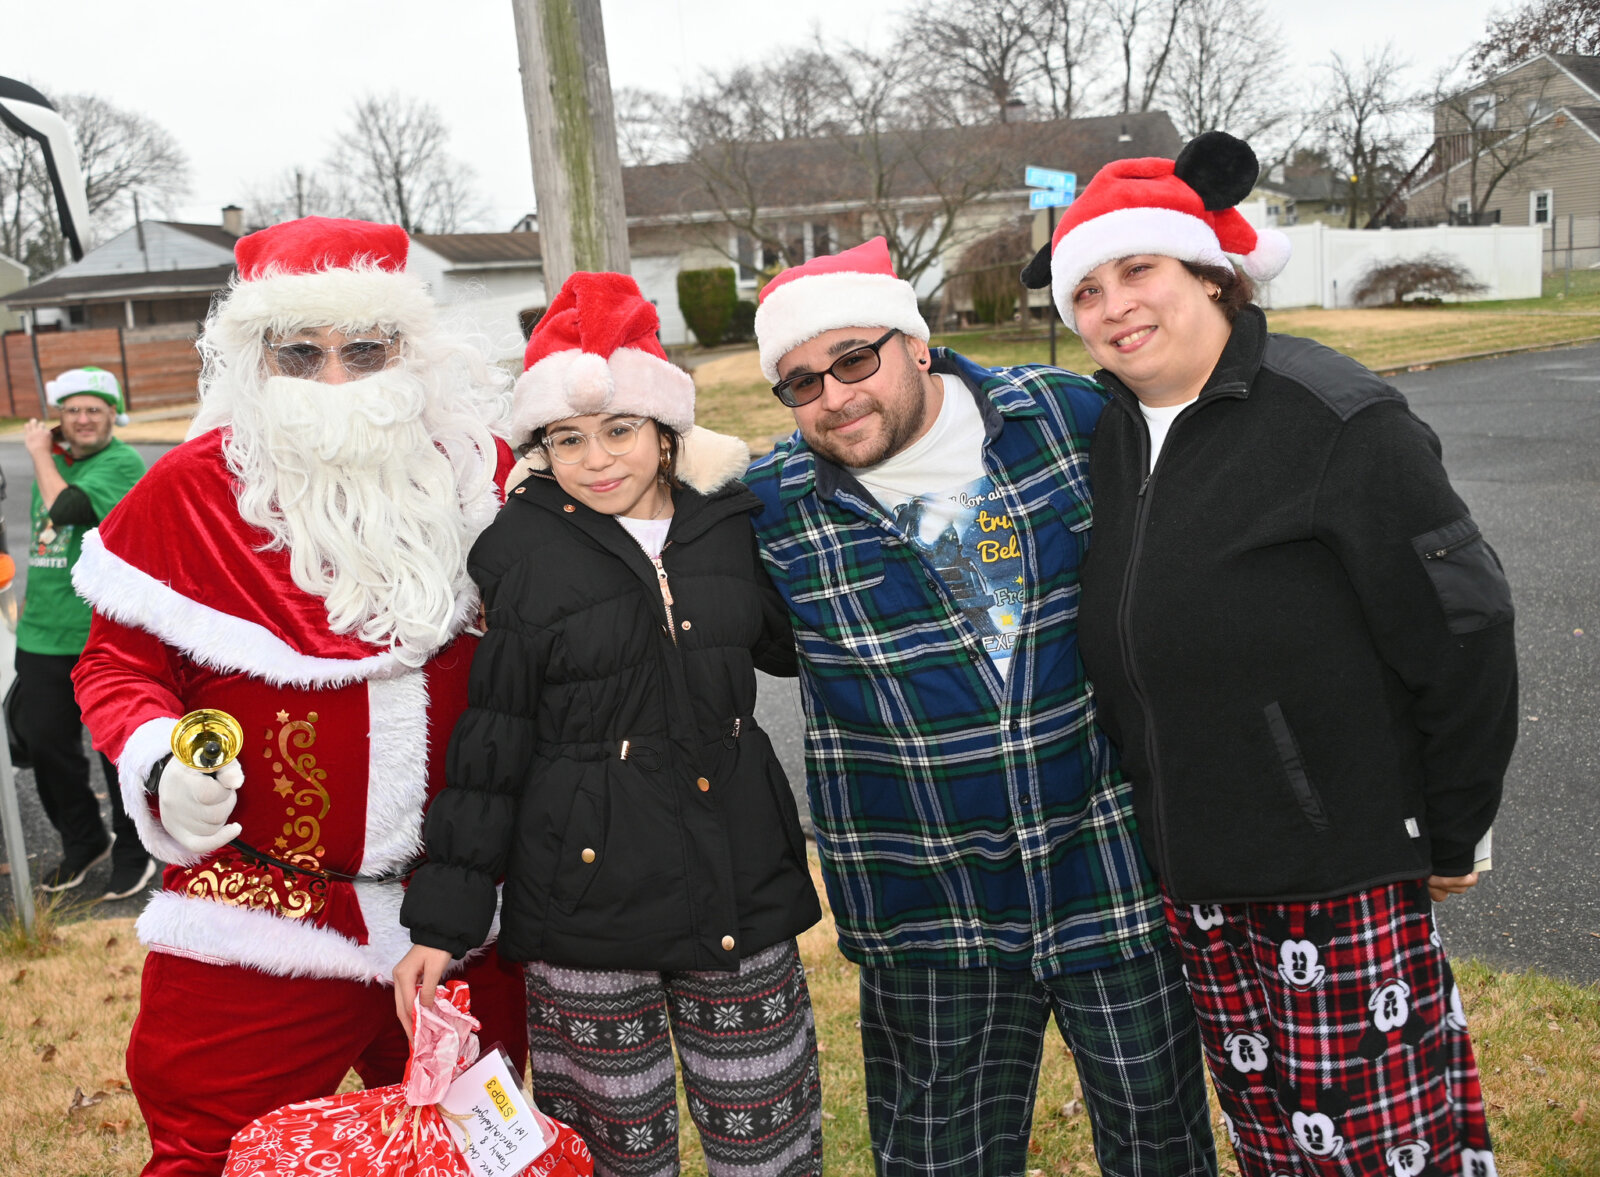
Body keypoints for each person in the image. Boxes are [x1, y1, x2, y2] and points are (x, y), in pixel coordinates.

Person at [1024, 131, 1514, 1177]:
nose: (1114, 308)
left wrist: (1453, 825)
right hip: (1196, 873)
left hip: (1333, 871)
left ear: (1209, 273)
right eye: (1089, 290)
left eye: (1138, 271)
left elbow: (1464, 625)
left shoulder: (1336, 416)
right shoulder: (1109, 431)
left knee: (1379, 1148)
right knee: (1271, 1143)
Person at [745, 238, 1215, 1176]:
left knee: (1160, 1144)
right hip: (925, 903)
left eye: (853, 359)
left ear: (916, 344)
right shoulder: (772, 507)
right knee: (935, 1158)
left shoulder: (1063, 417)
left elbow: (1219, 444)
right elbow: (641, 543)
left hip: (1107, 869)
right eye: (801, 382)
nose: (834, 395)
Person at [70, 216, 529, 1177]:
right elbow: (117, 666)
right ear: (255, 358)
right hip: (260, 913)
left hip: (458, 917)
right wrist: (159, 761)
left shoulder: (489, 479)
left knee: (488, 1154)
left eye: (366, 350)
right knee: (211, 1151)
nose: (335, 381)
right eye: (302, 352)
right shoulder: (188, 491)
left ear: (411, 350)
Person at [395, 271, 824, 1177]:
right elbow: (491, 747)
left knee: (769, 1142)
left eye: (619, 428)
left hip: (735, 880)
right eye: (568, 437)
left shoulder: (730, 528)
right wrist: (443, 921)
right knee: (616, 1152)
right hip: (586, 902)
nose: (596, 459)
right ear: (542, 444)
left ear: (667, 431)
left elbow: (800, 643)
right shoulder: (524, 555)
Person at [16, 366, 150, 897]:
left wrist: (40, 454)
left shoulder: (122, 462)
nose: (84, 419)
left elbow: (68, 509)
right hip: (41, 634)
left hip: (101, 636)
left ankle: (134, 849)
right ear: (59, 417)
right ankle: (82, 841)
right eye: (72, 410)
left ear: (113, 414)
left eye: (95, 409)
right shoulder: (60, 460)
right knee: (46, 745)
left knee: (114, 752)